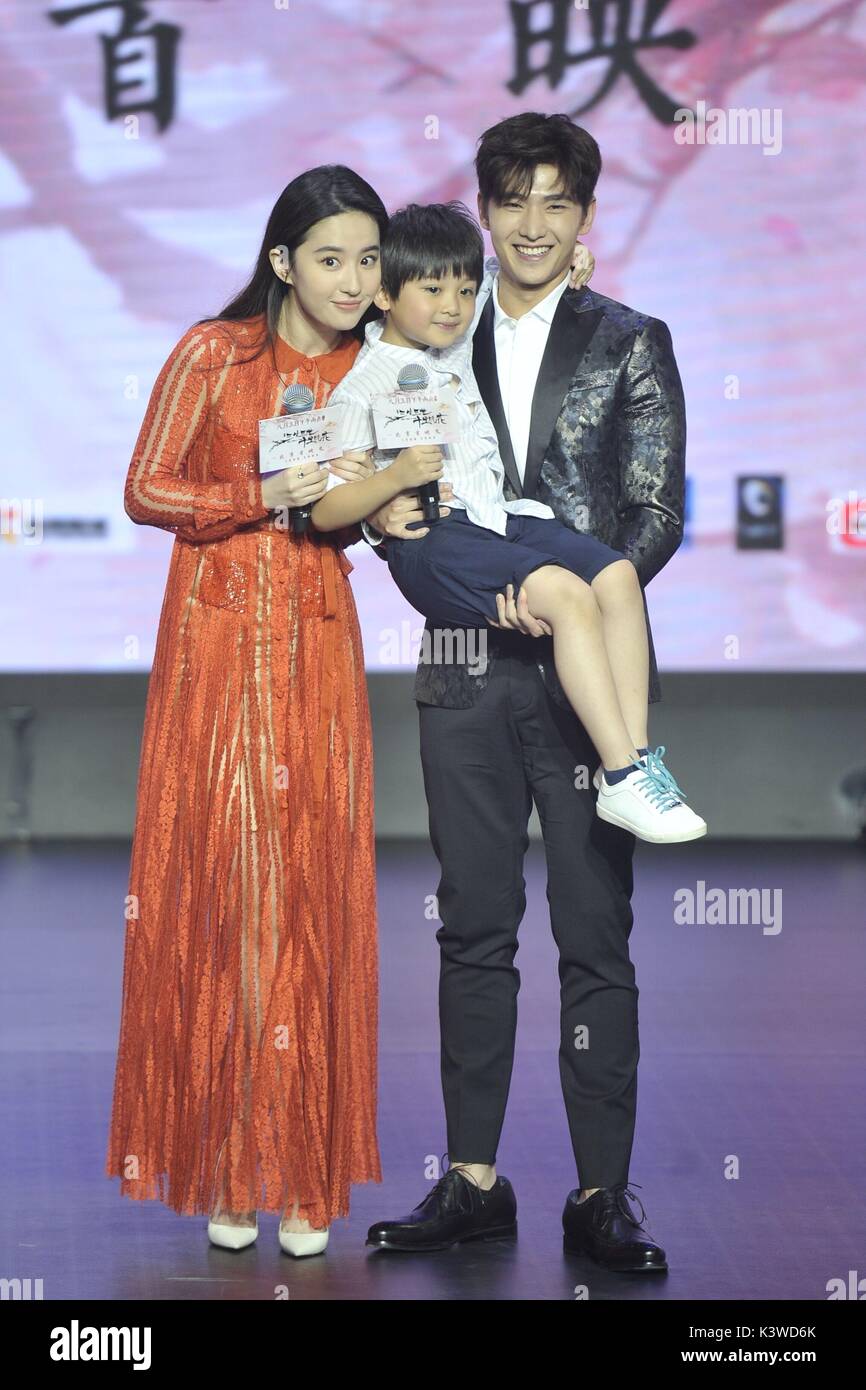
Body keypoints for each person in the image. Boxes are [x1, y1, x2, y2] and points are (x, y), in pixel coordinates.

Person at [351, 112, 687, 1270]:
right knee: (473, 929)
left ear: (585, 217)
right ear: (484, 212)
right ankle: (472, 1180)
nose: (534, 224)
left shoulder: (630, 338)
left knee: (596, 935)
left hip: (583, 676)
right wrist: (404, 539)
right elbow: (387, 486)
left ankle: (600, 1193)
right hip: (458, 662)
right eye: (514, 202)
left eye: (558, 203)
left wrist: (570, 598)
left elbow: (655, 513)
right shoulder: (425, 320)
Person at [104, 165, 412, 1257]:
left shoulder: (380, 372)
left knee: (316, 902)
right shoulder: (213, 351)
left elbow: (376, 510)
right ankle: (233, 1163)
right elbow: (145, 488)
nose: (351, 277)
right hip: (216, 650)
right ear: (282, 261)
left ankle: (306, 1171)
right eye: (329, 256)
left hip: (318, 649)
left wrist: (404, 495)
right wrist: (254, 496)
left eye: (367, 259)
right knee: (229, 902)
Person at [312, 202, 706, 845]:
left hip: (501, 520)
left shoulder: (459, 339)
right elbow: (328, 501)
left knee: (613, 574)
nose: (452, 305)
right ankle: (620, 768)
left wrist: (563, 264)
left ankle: (632, 771)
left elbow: (506, 283)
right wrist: (383, 493)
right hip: (438, 538)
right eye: (434, 291)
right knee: (569, 595)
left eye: (464, 293)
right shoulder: (360, 386)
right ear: (384, 293)